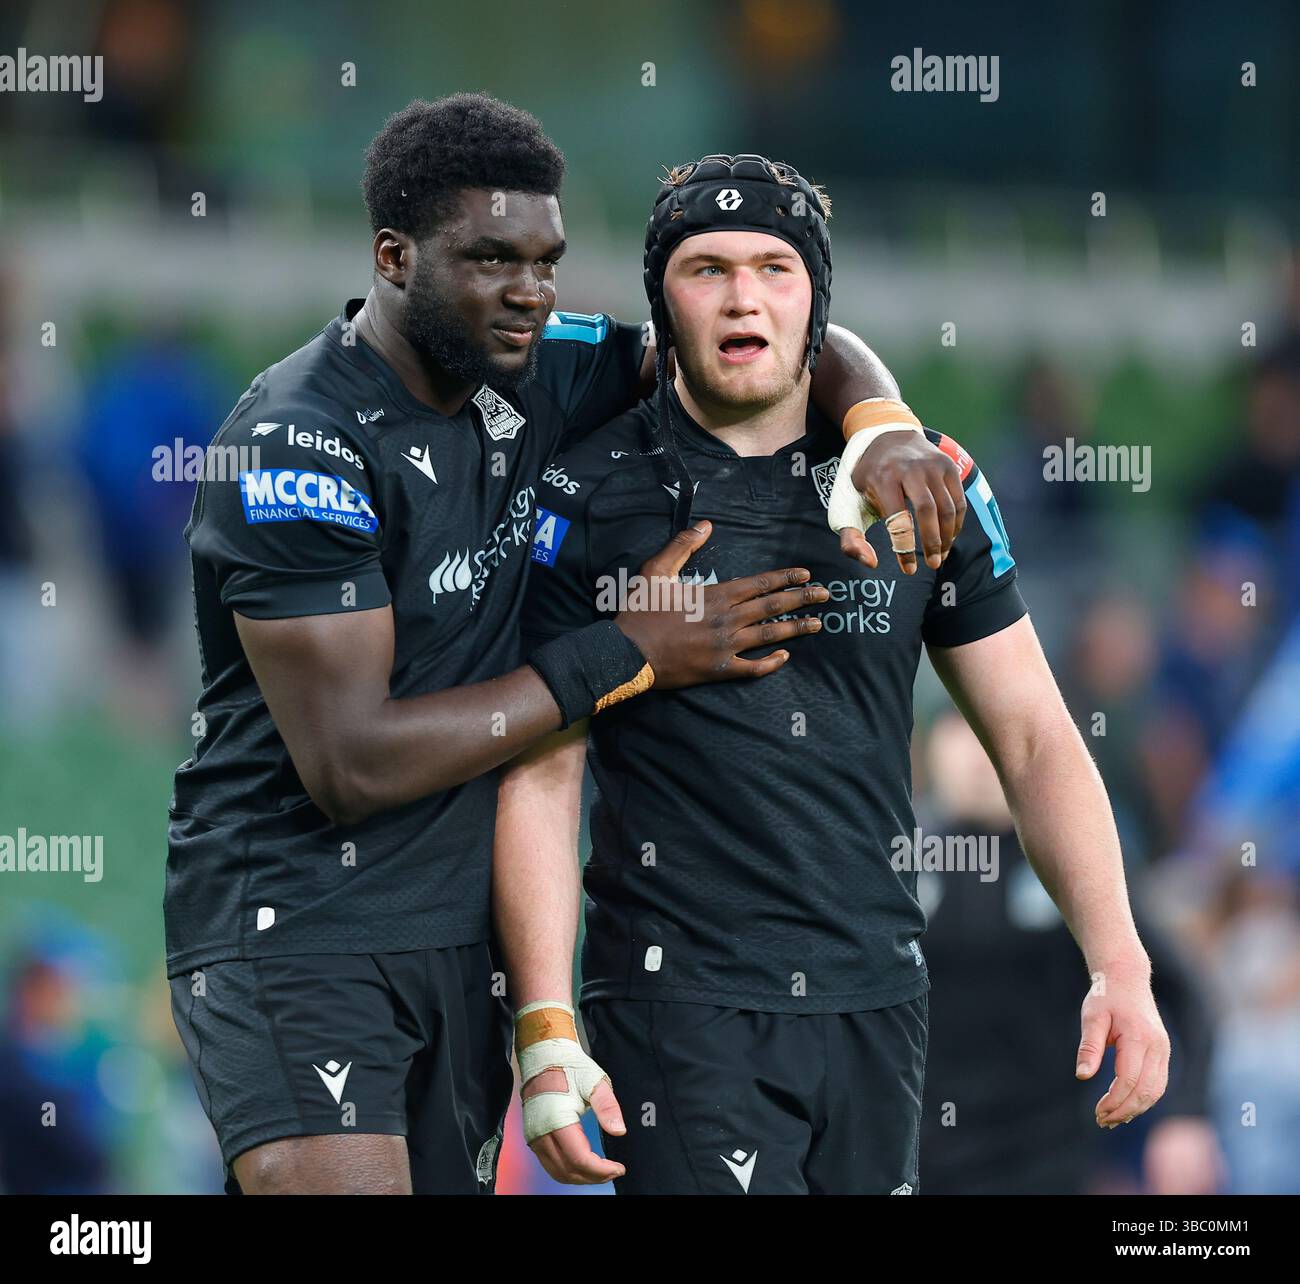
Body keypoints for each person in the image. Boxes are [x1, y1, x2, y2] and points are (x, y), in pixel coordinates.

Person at [164, 98, 955, 1196]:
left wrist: (878, 423)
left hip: (458, 939)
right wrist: (620, 652)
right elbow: (351, 764)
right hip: (295, 918)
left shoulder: (542, 361)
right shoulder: (298, 441)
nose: (530, 292)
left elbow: (766, 338)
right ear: (393, 259)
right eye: (491, 260)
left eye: (545, 260)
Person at [493, 153, 1171, 1194]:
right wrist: (546, 1029)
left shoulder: (926, 484)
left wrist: (1118, 959)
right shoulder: (587, 494)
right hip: (679, 1005)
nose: (741, 297)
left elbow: (1033, 736)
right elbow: (543, 772)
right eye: (704, 269)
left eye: (772, 266)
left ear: (815, 296)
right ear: (660, 305)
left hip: (880, 1001)